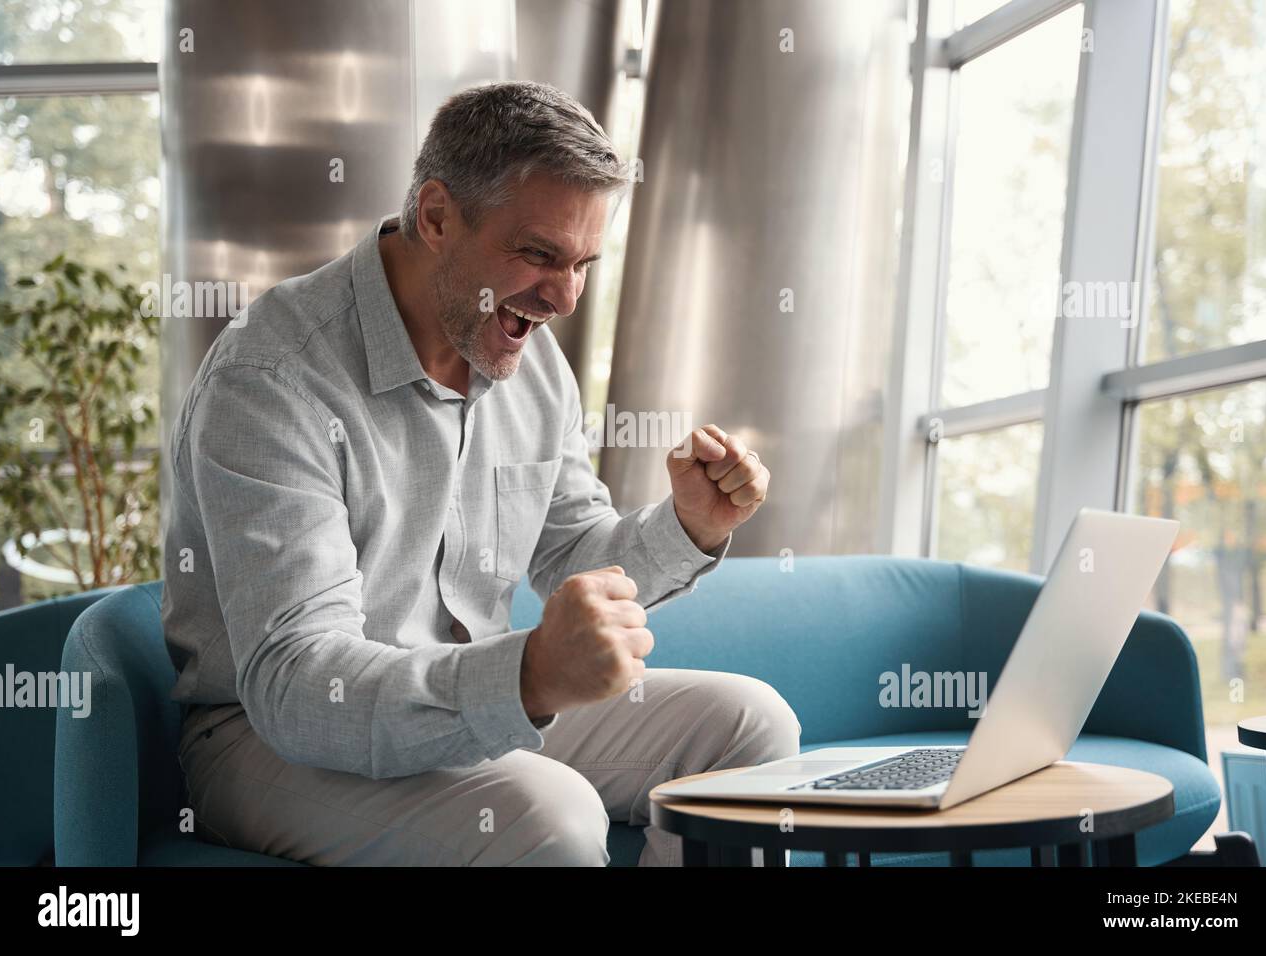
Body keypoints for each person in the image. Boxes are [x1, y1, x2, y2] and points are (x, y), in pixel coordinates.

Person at [162, 80, 800, 866]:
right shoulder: (271, 377)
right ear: (435, 216)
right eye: (539, 254)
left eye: (583, 263)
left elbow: (573, 553)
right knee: (550, 815)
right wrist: (525, 679)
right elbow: (298, 685)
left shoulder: (530, 366)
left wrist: (691, 525)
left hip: (472, 690)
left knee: (750, 722)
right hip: (269, 740)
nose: (565, 298)